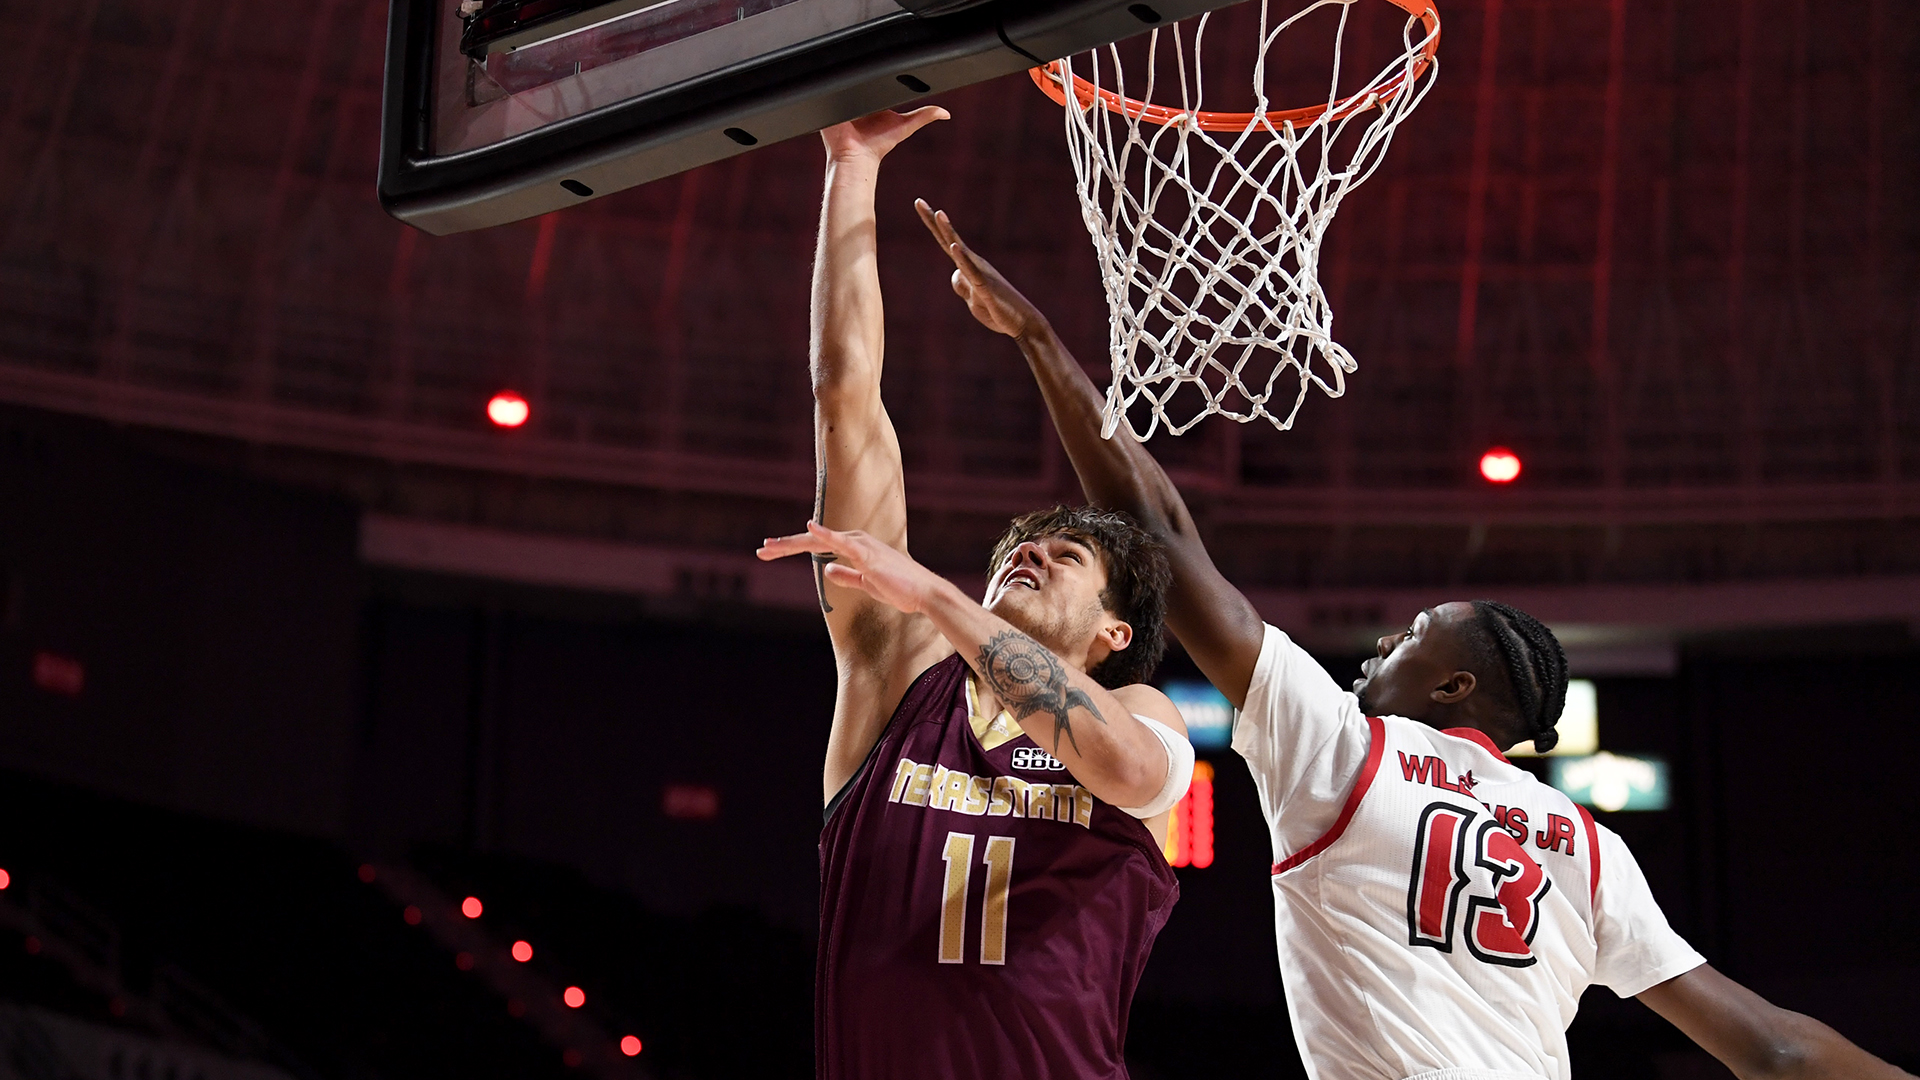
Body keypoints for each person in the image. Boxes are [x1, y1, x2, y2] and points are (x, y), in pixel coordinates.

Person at [915, 202, 1915, 1080]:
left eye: (1412, 639)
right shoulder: (1589, 848)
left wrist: (1039, 338)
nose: (1380, 647)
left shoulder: (1346, 750)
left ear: (1458, 686)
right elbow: (1774, 1051)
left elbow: (1163, 533)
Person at [753, 108, 1195, 1080]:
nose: (1031, 555)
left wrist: (950, 602)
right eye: (1019, 550)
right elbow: (845, 395)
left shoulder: (1141, 711)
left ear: (1116, 630)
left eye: (1065, 555)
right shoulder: (895, 678)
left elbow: (1131, 774)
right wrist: (851, 168)